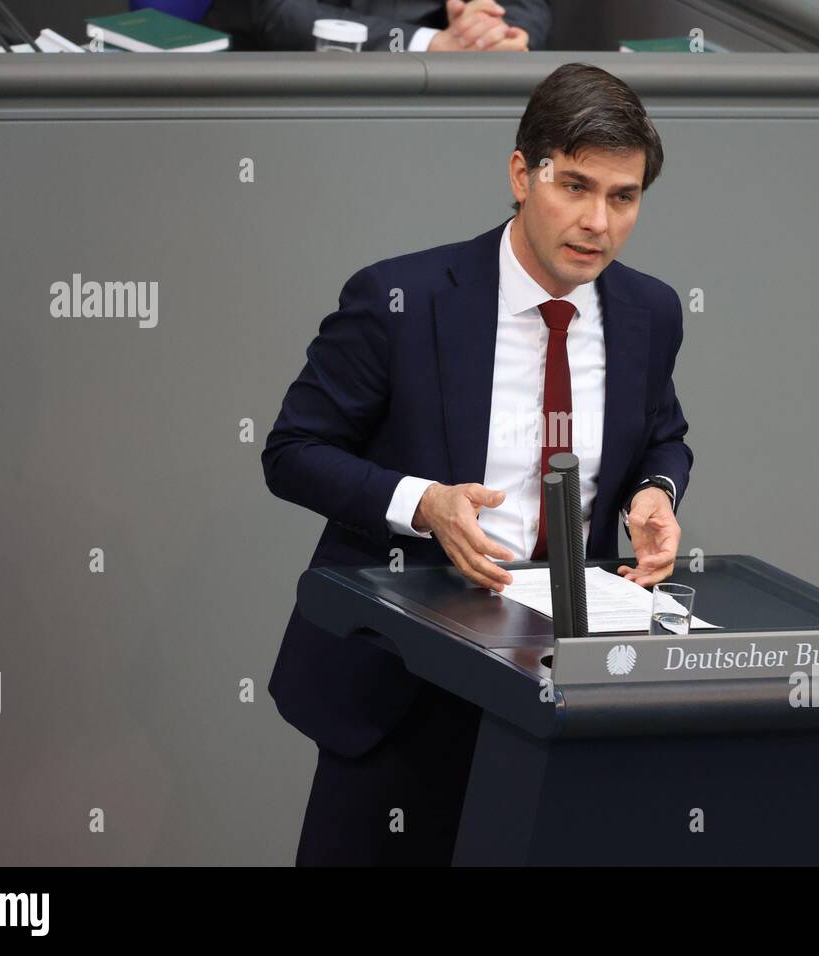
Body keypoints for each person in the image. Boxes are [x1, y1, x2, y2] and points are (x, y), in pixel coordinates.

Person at [262, 62, 693, 865]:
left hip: (566, 680)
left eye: (623, 197)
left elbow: (664, 433)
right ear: (521, 174)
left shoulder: (649, 312)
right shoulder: (402, 299)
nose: (597, 221)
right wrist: (424, 503)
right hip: (405, 682)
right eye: (575, 186)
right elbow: (292, 453)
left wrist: (655, 491)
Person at [207, 0, 549, 52]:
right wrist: (431, 44)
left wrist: (494, 33)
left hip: (441, 92)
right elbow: (277, 11)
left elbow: (524, 7)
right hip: (275, 82)